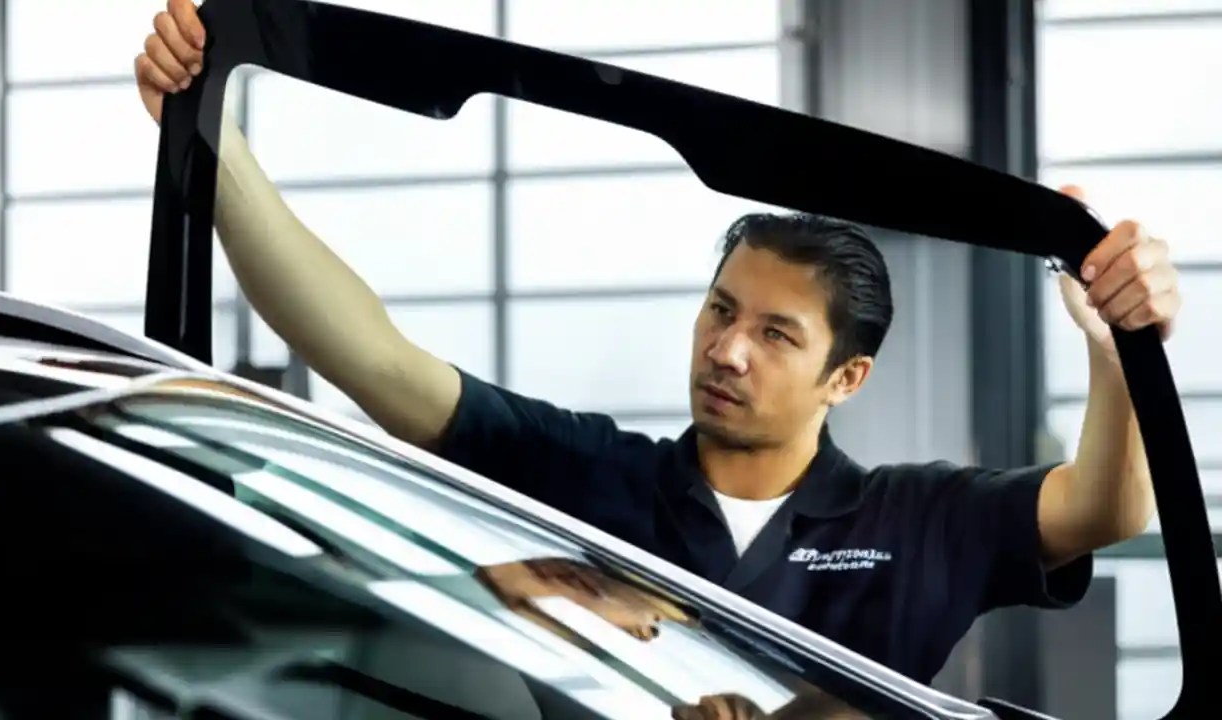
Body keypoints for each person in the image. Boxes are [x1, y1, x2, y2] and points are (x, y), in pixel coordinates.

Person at [134, 0, 1181, 685]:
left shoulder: (920, 520)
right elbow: (373, 359)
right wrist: (211, 143)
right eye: (720, 310)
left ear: (846, 376)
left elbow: (1106, 508)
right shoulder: (589, 475)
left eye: (774, 334)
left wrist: (1113, 347)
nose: (728, 350)